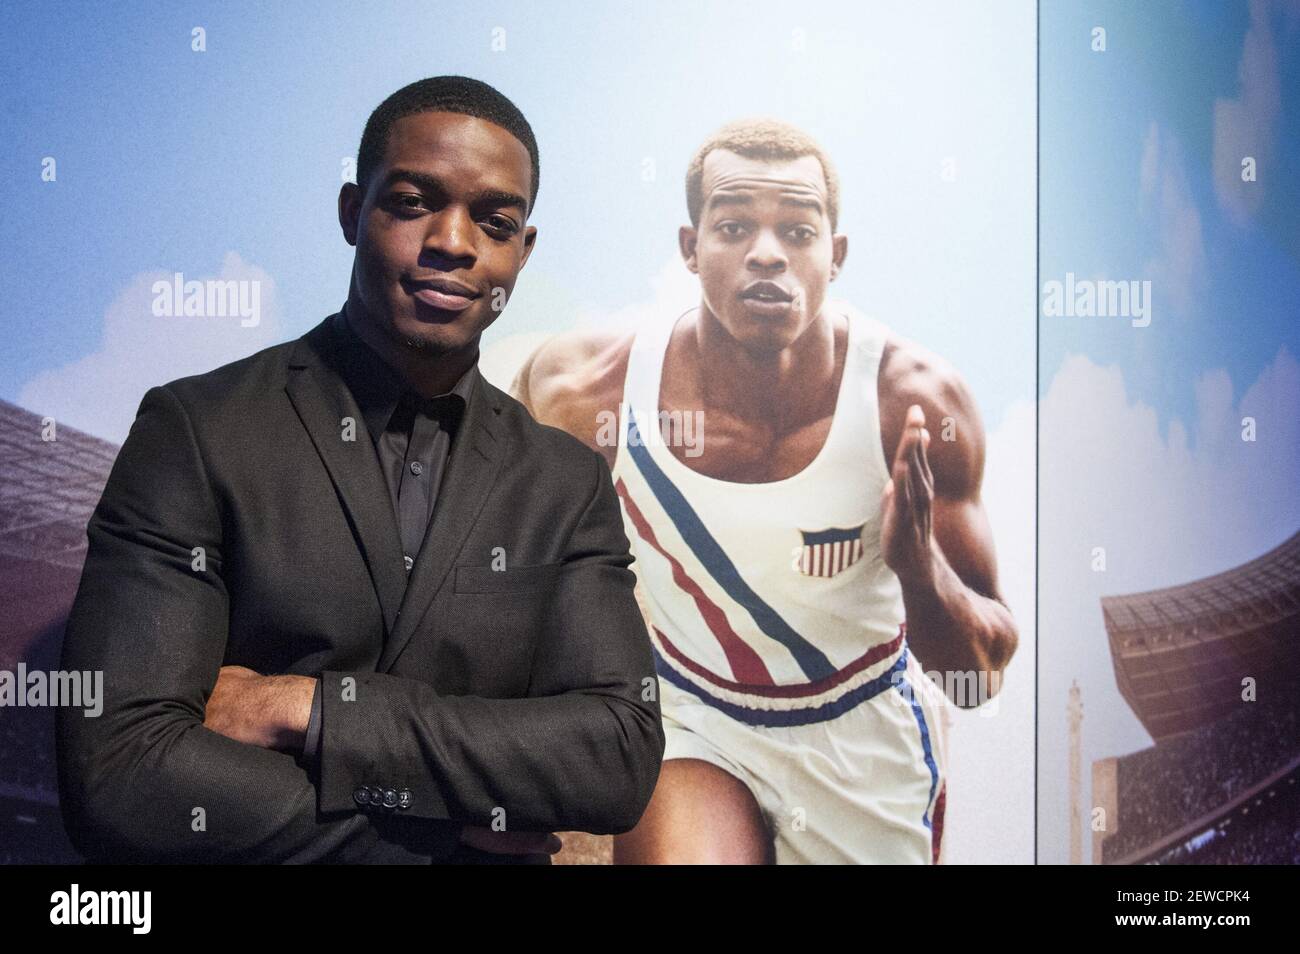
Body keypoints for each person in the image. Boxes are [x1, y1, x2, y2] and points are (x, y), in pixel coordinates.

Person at [56, 75, 664, 864]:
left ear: (523, 250)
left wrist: (309, 710)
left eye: (495, 220)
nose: (453, 240)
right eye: (414, 202)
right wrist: (447, 837)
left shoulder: (564, 482)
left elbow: (613, 757)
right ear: (352, 211)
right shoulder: (198, 430)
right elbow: (121, 773)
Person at [513, 118, 1018, 864]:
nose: (767, 253)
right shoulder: (591, 393)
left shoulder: (911, 404)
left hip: (860, 729)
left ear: (835, 255)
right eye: (734, 225)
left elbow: (979, 681)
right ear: (691, 249)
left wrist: (920, 570)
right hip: (697, 715)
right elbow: (507, 580)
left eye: (799, 230)